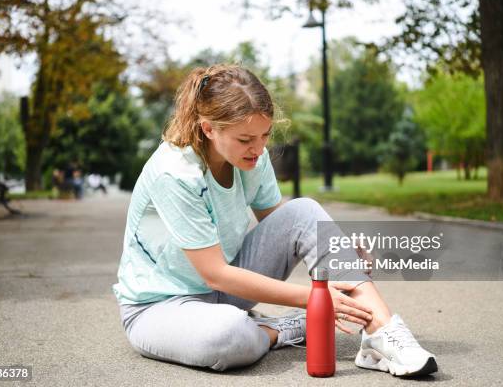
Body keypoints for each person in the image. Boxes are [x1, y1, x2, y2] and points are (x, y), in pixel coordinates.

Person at [112, 64, 438, 376]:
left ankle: (383, 334)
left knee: (304, 209)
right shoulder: (175, 173)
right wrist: (314, 298)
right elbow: (215, 275)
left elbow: (287, 225)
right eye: (245, 140)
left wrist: (340, 252)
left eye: (265, 135)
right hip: (157, 307)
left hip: (223, 292)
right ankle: (280, 327)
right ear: (208, 128)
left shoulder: (255, 157)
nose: (257, 148)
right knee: (228, 337)